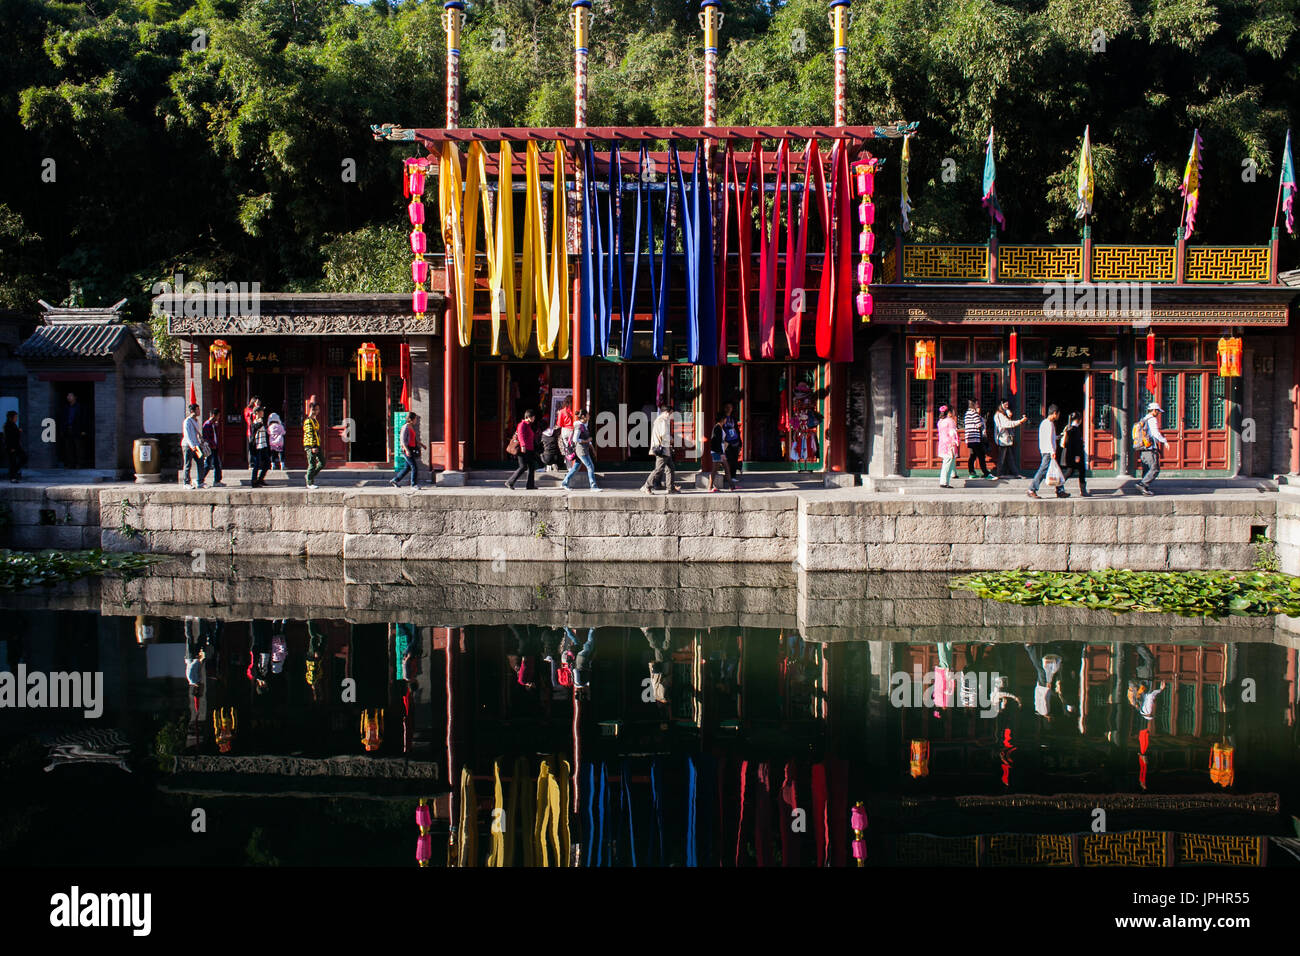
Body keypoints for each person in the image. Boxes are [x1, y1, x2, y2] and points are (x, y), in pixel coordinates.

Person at [1027, 404, 1069, 499]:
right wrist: (1052, 451)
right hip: (1048, 451)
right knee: (1043, 470)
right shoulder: (1048, 424)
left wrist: (1059, 436)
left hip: (1048, 450)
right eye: (1058, 414)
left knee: (1055, 469)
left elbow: (1052, 438)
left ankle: (1060, 490)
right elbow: (1048, 439)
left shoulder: (1047, 423)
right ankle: (1032, 489)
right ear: (1054, 413)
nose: (1058, 416)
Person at [561, 408, 602, 492]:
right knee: (590, 466)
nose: (589, 416)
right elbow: (575, 439)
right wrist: (587, 441)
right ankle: (593, 486)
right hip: (581, 450)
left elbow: (585, 437)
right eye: (587, 415)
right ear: (583, 416)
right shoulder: (579, 426)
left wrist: (592, 448)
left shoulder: (584, 425)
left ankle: (565, 482)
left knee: (575, 468)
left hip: (584, 449)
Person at [642, 404, 679, 495]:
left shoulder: (658, 420)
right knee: (658, 469)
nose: (671, 415)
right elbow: (664, 435)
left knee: (670, 468)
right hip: (662, 449)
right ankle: (646, 486)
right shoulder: (663, 421)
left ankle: (670, 488)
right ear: (667, 412)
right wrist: (671, 439)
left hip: (664, 448)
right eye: (671, 413)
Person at [1135, 402, 1169, 496]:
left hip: (1143, 448)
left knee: (1146, 469)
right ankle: (1142, 484)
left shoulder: (1143, 419)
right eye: (1157, 411)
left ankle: (1144, 489)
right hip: (1150, 448)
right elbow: (1155, 433)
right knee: (1155, 469)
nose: (1158, 414)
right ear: (1154, 410)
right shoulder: (1152, 419)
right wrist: (1164, 441)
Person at [993, 400, 1027, 478]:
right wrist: (1020, 421)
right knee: (1002, 457)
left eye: (1008, 405)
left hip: (1006, 439)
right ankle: (999, 474)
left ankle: (1015, 473)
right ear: (1001, 405)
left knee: (1009, 457)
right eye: (1005, 405)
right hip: (1002, 439)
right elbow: (1007, 424)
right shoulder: (999, 415)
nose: (1007, 406)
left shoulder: (1004, 414)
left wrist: (1009, 416)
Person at [505, 408, 538, 490]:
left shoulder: (528, 425)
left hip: (529, 449)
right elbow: (520, 436)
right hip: (523, 449)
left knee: (531, 466)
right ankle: (509, 482)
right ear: (529, 417)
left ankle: (530, 485)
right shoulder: (522, 424)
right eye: (533, 417)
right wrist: (523, 446)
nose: (534, 419)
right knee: (523, 466)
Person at [390, 412, 425, 489]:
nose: (416, 420)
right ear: (411, 419)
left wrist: (421, 445)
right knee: (414, 467)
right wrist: (407, 450)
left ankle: (395, 480)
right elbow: (402, 440)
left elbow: (413, 439)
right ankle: (414, 484)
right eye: (415, 418)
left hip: (412, 449)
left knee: (407, 468)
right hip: (407, 449)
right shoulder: (405, 427)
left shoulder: (411, 427)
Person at [964, 399, 994, 479]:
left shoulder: (967, 413)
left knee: (973, 455)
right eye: (977, 403)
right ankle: (986, 473)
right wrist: (979, 416)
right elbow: (978, 425)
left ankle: (971, 472)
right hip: (975, 438)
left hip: (969, 438)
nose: (978, 405)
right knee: (981, 455)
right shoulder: (974, 413)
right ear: (974, 404)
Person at [1060, 411, 1088, 496]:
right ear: (1079, 420)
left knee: (1070, 471)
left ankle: (1059, 485)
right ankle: (1082, 491)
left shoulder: (1069, 428)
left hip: (1071, 454)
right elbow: (1076, 444)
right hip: (1075, 454)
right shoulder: (1074, 430)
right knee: (1079, 471)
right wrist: (1077, 455)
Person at [181, 403, 207, 488]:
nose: (199, 411)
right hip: (188, 446)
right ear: (192, 411)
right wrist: (192, 446)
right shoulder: (187, 421)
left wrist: (200, 442)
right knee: (188, 464)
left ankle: (200, 481)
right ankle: (186, 482)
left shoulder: (196, 421)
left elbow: (197, 434)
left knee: (201, 462)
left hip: (196, 445)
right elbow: (187, 435)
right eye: (197, 409)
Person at [59, 392, 88, 468]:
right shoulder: (66, 407)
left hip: (77, 430)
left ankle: (80, 464)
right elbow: (62, 419)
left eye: (70, 396)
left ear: (75, 397)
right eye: (68, 396)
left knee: (79, 448)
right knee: (68, 448)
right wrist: (62, 430)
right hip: (67, 429)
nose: (68, 397)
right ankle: (70, 464)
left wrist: (83, 430)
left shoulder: (80, 407)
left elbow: (84, 419)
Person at [720, 401, 742, 491]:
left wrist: (739, 441)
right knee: (728, 460)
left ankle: (733, 475)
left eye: (730, 407)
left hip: (735, 441)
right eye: (727, 407)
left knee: (734, 459)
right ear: (725, 408)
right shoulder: (722, 418)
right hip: (727, 441)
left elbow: (737, 429)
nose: (729, 409)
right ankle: (727, 476)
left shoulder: (733, 418)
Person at [937, 405, 959, 488]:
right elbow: (952, 433)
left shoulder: (940, 421)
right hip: (949, 444)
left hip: (943, 443)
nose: (954, 412)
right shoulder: (950, 421)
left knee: (950, 459)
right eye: (953, 411)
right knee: (948, 460)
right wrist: (954, 441)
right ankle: (944, 482)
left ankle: (954, 473)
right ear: (949, 412)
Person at [303, 401, 323, 489]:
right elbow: (309, 433)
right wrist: (313, 447)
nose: (318, 411)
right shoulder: (308, 421)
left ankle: (309, 476)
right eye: (317, 409)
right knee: (312, 464)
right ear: (313, 410)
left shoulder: (315, 420)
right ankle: (309, 483)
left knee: (322, 462)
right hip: (310, 445)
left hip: (317, 444)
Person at [249, 407, 270, 487]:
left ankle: (260, 479)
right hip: (257, 446)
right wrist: (260, 422)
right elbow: (255, 428)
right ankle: (254, 481)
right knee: (257, 464)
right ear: (257, 412)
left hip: (263, 445)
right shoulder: (255, 422)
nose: (263, 412)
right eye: (261, 411)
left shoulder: (261, 421)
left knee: (267, 463)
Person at [202, 409, 223, 486]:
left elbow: (215, 435)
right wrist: (212, 444)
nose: (219, 418)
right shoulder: (207, 425)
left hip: (214, 446)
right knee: (208, 464)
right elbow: (207, 437)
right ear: (214, 415)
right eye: (218, 416)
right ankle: (201, 478)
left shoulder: (213, 424)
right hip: (210, 447)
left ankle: (217, 480)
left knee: (217, 463)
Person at [554, 397, 575, 474]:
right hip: (574, 430)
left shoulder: (562, 411)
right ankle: (575, 466)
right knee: (575, 449)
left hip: (565, 430)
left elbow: (559, 424)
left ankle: (569, 468)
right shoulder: (575, 409)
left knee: (567, 449)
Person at [708, 411, 727, 492]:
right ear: (723, 419)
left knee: (725, 468)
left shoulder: (720, 427)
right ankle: (710, 487)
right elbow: (716, 441)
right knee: (715, 469)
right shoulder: (717, 428)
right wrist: (721, 453)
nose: (726, 420)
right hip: (717, 451)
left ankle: (732, 486)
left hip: (719, 451)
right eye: (725, 419)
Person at [4, 410, 25, 482]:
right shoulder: (7, 425)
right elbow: (8, 437)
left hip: (17, 446)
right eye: (15, 417)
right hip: (12, 447)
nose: (16, 418)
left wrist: (18, 431)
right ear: (11, 417)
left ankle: (14, 473)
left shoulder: (13, 425)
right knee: (12, 462)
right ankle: (12, 477)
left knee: (23, 458)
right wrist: (11, 447)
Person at [244, 396, 260, 467]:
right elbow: (249, 420)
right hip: (251, 431)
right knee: (252, 446)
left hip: (258, 430)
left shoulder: (257, 409)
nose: (259, 403)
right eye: (257, 402)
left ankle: (257, 462)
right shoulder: (248, 410)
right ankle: (251, 463)